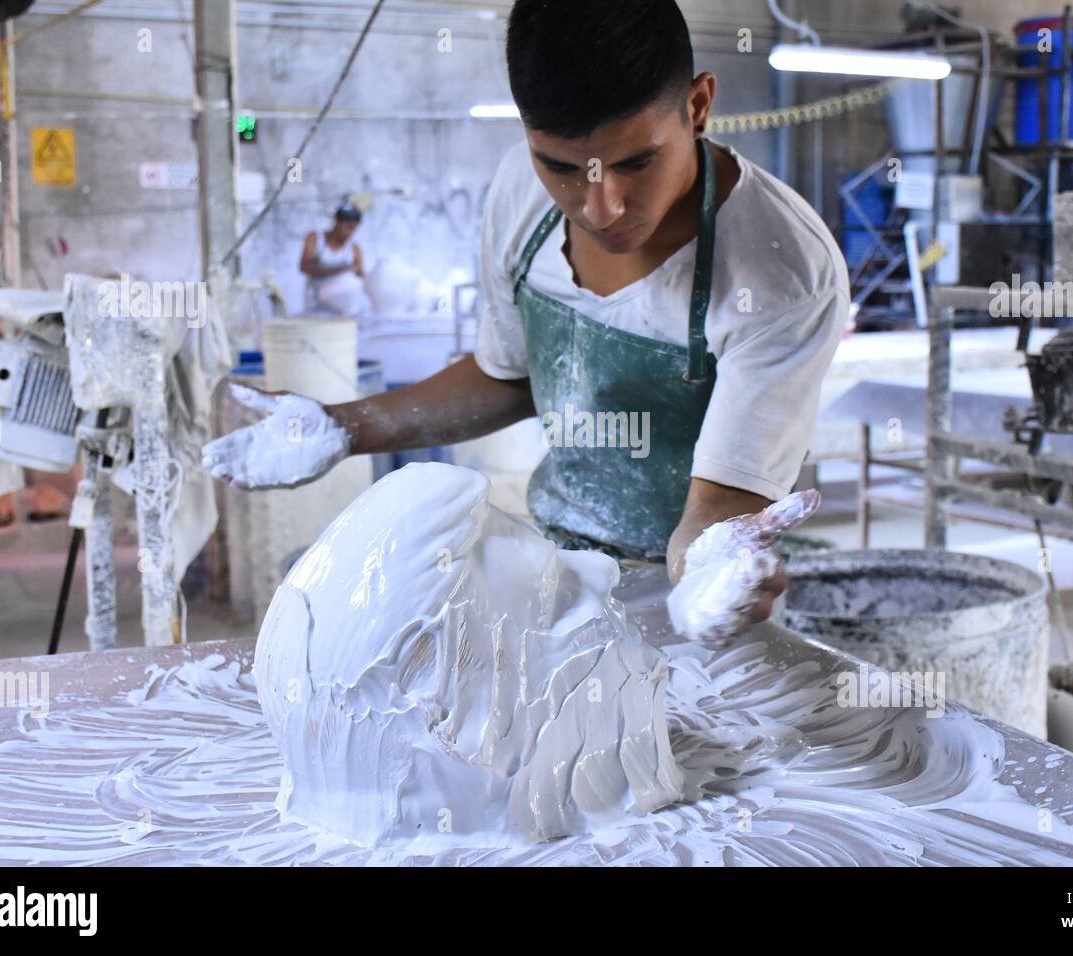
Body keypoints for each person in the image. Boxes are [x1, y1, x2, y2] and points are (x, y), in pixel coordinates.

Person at [204, 0, 849, 644]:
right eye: (562, 168)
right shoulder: (518, 193)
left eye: (636, 162)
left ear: (698, 106)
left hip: (701, 597)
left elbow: (723, 499)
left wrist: (709, 576)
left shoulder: (781, 271)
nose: (601, 207)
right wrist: (345, 426)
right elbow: (509, 378)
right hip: (564, 571)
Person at [300, 202, 367, 316]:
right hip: (318, 305)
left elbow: (361, 276)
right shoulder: (315, 238)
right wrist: (339, 270)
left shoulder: (354, 248)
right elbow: (304, 267)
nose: (350, 231)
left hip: (346, 309)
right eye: (348, 226)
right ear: (336, 222)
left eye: (354, 227)